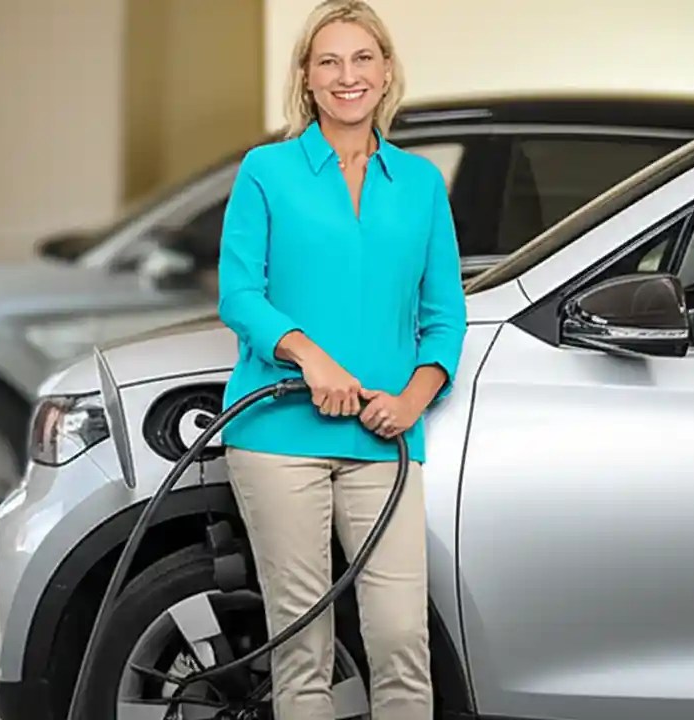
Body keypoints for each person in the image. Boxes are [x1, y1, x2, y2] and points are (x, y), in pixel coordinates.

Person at [215, 1, 467, 719]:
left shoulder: (418, 184)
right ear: (307, 77)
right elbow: (239, 293)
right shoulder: (268, 171)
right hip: (278, 441)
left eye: (362, 59)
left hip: (384, 441)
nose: (347, 75)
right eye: (329, 60)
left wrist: (412, 401)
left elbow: (444, 319)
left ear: (386, 72)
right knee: (303, 652)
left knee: (400, 641)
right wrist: (308, 359)